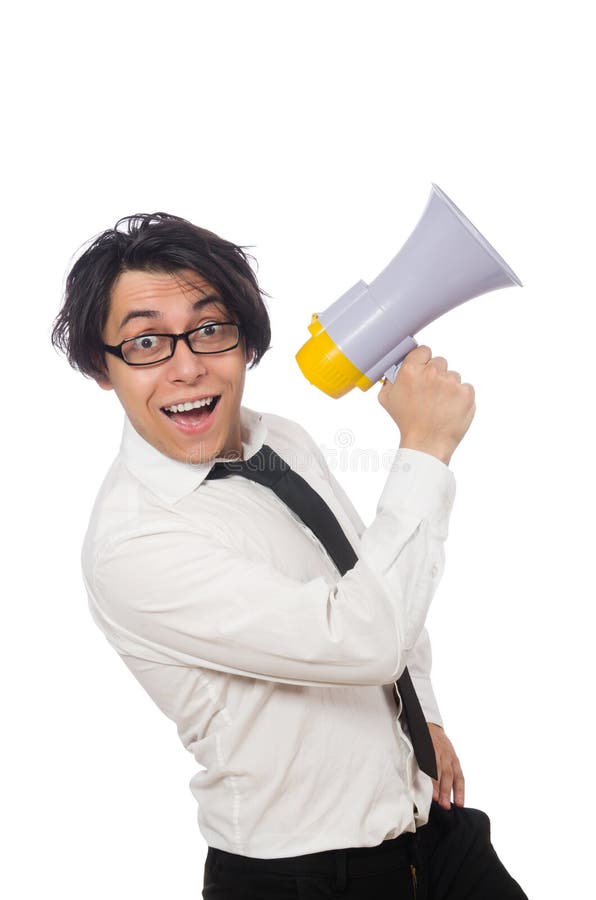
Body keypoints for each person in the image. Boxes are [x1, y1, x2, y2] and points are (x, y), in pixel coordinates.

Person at [52, 212, 527, 899]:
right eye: (147, 342)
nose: (187, 366)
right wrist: (425, 450)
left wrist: (425, 713)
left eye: (210, 329)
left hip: (432, 829)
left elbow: (374, 577)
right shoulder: (134, 545)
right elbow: (363, 637)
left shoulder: (283, 440)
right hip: (305, 877)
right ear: (104, 368)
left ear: (245, 342)